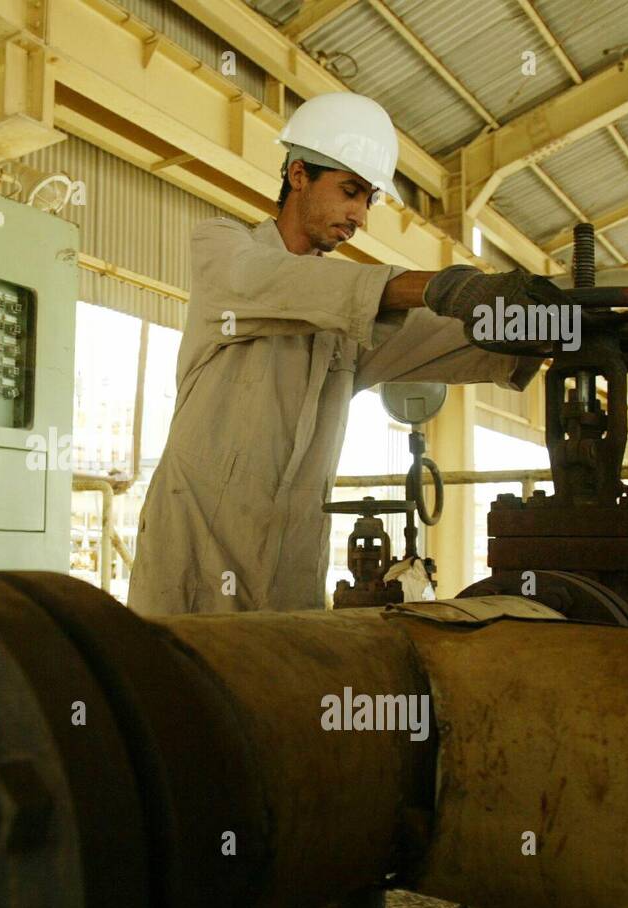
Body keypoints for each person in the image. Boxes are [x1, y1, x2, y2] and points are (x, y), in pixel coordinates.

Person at [126, 92, 565, 616]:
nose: (359, 215)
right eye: (350, 191)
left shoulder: (350, 322)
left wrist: (558, 324)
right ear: (297, 175)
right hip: (193, 556)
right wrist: (440, 286)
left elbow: (442, 335)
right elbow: (272, 283)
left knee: (279, 696)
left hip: (289, 569)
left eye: (369, 200)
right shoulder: (222, 249)